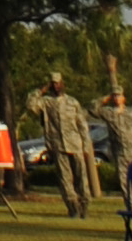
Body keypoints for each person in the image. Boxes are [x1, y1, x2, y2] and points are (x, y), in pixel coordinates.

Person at [34, 72, 97, 217]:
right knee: (65, 179)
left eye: (58, 83)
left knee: (81, 176)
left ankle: (84, 205)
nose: (56, 86)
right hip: (58, 145)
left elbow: (82, 125)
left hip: (75, 144)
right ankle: (73, 207)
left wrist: (86, 145)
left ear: (63, 84)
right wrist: (41, 90)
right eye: (53, 84)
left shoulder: (72, 102)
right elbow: (30, 104)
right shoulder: (47, 102)